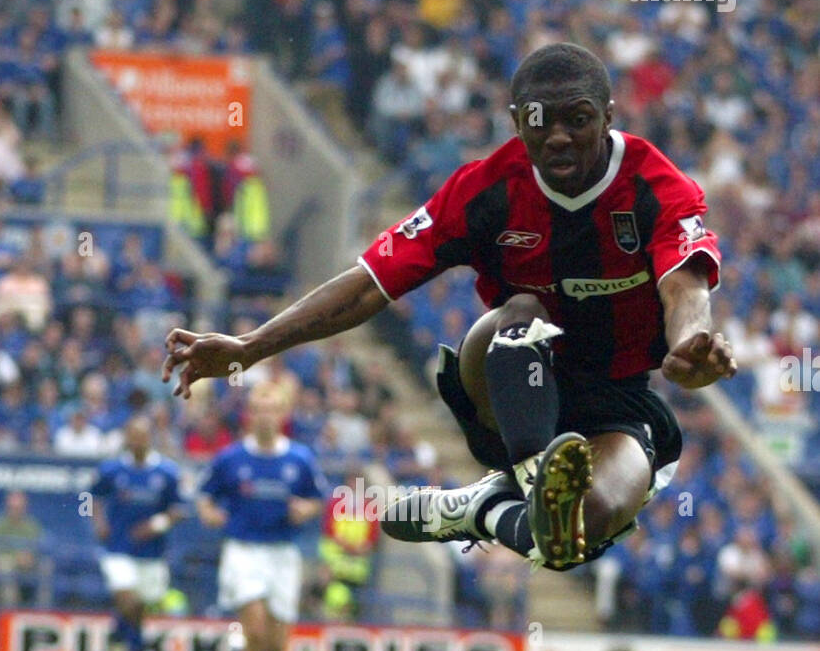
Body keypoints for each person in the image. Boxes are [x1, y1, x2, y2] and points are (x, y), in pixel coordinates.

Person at [163, 42, 736, 576]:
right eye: (540, 120)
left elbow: (684, 287)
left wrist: (692, 341)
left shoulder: (655, 186)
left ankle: (484, 507)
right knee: (523, 307)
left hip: (618, 396)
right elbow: (368, 286)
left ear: (608, 116)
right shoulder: (483, 192)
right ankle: (530, 473)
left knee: (568, 540)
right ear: (516, 122)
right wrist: (249, 346)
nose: (558, 136)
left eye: (577, 119)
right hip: (510, 383)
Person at [197, 382, 325, 651]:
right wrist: (209, 514)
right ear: (249, 415)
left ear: (283, 414)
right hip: (244, 550)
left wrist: (305, 509)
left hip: (283, 554)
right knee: (254, 628)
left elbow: (316, 499)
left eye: (272, 409)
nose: (265, 416)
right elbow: (205, 496)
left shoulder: (299, 459)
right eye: (258, 409)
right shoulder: (231, 458)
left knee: (274, 646)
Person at [92, 415, 184, 651]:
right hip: (118, 550)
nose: (136, 441)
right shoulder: (111, 470)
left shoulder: (167, 472)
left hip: (152, 555)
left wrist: (155, 525)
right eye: (132, 435)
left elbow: (179, 510)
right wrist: (98, 522)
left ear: (150, 437)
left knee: (139, 610)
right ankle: (121, 650)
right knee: (127, 598)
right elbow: (89, 497)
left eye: (141, 435)